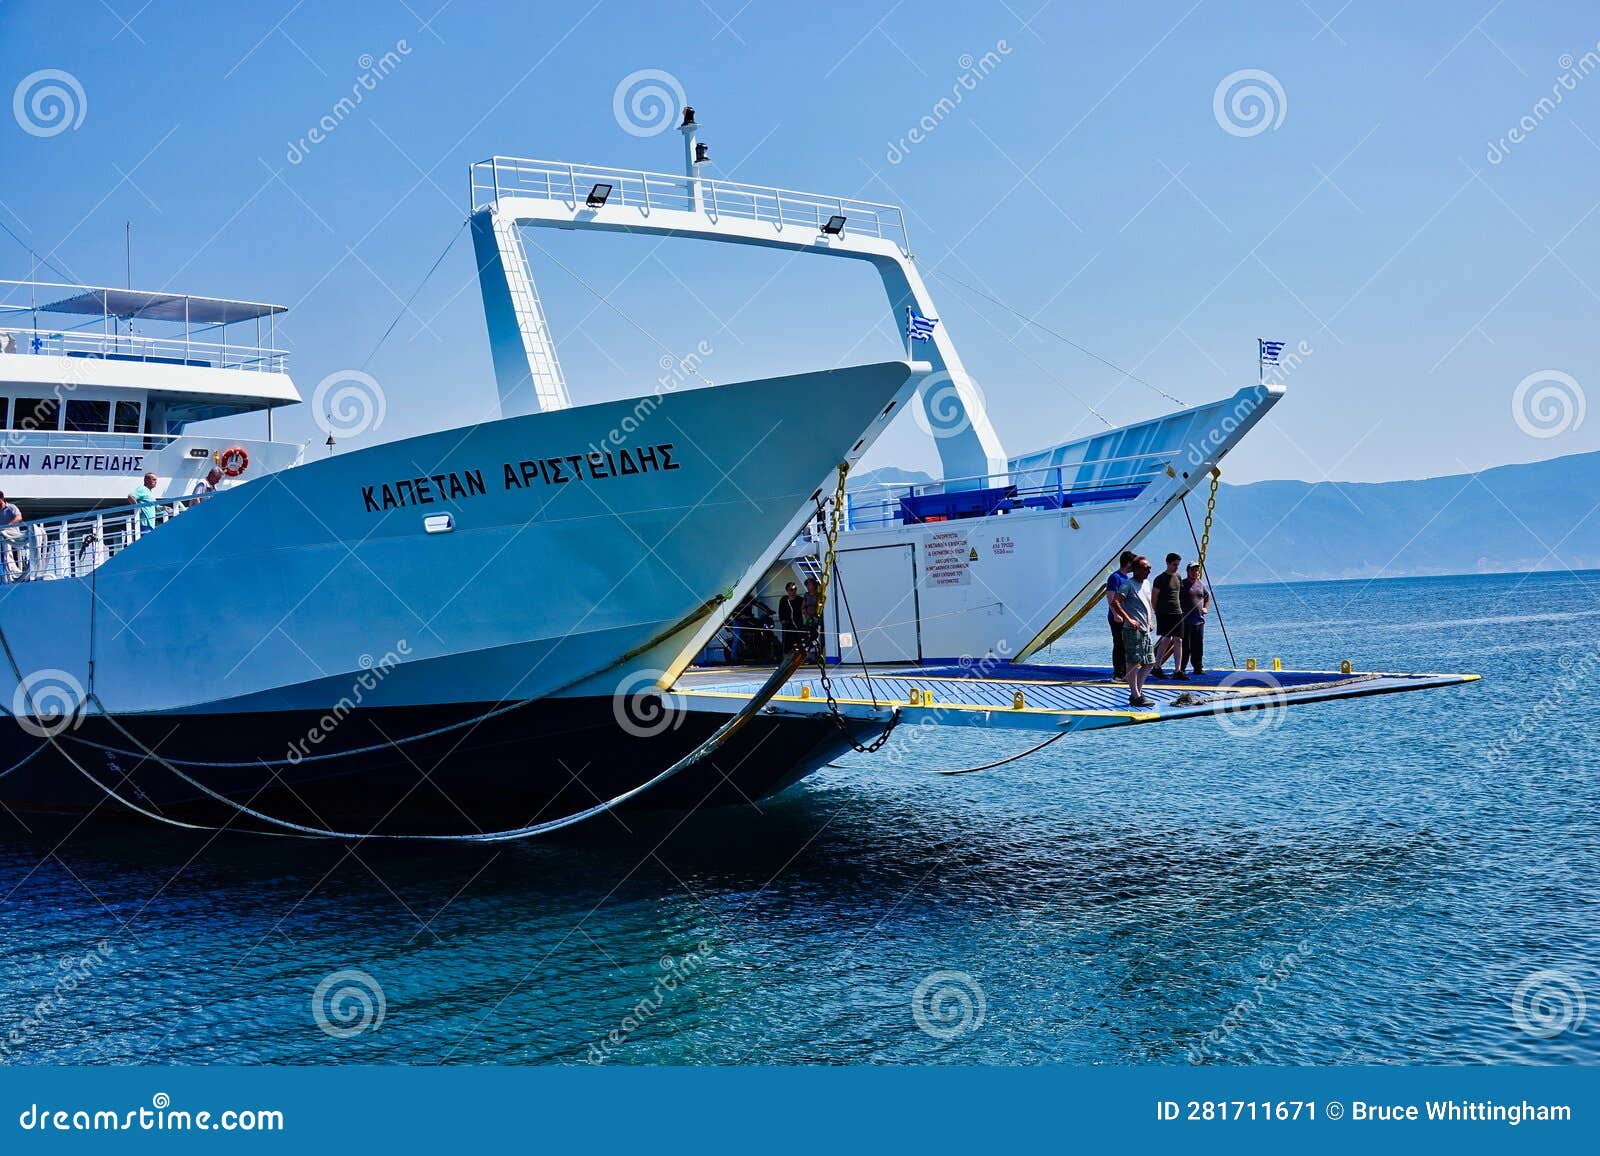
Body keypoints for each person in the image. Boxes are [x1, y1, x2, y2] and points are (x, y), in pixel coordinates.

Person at [1109, 555, 1156, 707]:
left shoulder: (1147, 584)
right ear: (1135, 569)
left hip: (1145, 629)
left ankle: (1137, 693)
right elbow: (1115, 602)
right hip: (1132, 630)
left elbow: (1148, 603)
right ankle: (1135, 694)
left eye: (1149, 567)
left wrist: (1150, 620)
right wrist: (1128, 619)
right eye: (1145, 568)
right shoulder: (1128, 585)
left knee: (1149, 662)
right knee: (1133, 661)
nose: (1149, 570)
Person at [1150, 552, 1188, 680]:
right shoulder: (1160, 579)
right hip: (1164, 613)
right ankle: (1157, 667)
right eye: (1174, 564)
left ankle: (1178, 670)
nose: (1176, 567)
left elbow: (1180, 595)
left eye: (1178, 565)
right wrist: (1157, 612)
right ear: (1167, 563)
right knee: (1166, 639)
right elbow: (1154, 598)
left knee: (1179, 640)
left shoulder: (1178, 577)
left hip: (1177, 613)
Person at [1105, 550, 1136, 680]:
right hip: (1116, 617)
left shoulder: (1127, 579)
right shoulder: (1115, 577)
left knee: (1126, 645)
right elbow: (1110, 597)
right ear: (1128, 563)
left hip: (1126, 617)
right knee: (1119, 644)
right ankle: (1118, 673)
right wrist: (1115, 614)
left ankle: (1125, 672)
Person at [1180, 562, 1210, 675]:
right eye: (1192, 570)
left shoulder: (1201, 584)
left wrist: (1205, 608)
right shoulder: (1182, 584)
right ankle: (1181, 669)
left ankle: (1198, 668)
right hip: (1185, 621)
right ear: (1188, 571)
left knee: (1198, 646)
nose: (1194, 572)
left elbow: (1207, 597)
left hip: (1199, 621)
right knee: (1185, 647)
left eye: (1196, 570)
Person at [778, 581, 805, 653]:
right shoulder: (784, 600)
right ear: (787, 591)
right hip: (787, 624)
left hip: (797, 624)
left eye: (795, 589)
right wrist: (782, 620)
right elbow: (780, 611)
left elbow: (804, 610)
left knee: (799, 641)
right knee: (787, 643)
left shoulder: (800, 599)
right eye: (791, 589)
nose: (794, 591)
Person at [0, 491, 21, 575]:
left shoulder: (11, 507)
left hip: (14, 538)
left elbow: (19, 517)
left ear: (1, 498)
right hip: (2, 540)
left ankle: (17, 574)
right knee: (5, 558)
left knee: (16, 558)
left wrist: (8, 526)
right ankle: (6, 574)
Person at [802, 576, 822, 652]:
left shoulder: (818, 595)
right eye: (807, 585)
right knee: (807, 635)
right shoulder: (806, 595)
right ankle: (809, 651)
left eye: (810, 585)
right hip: (807, 618)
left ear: (814, 585)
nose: (808, 586)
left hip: (816, 618)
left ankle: (816, 652)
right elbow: (803, 607)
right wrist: (806, 614)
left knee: (816, 634)